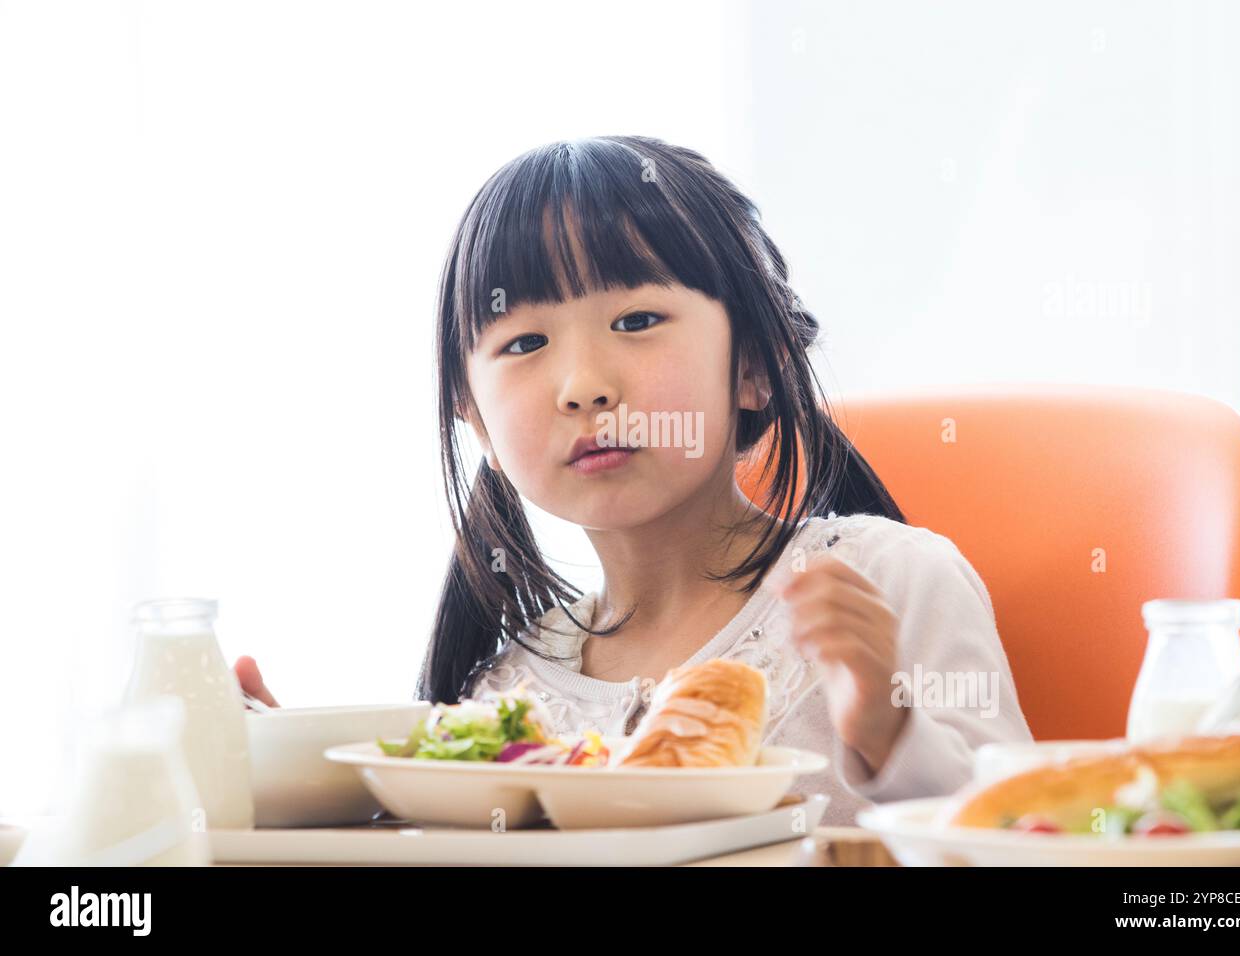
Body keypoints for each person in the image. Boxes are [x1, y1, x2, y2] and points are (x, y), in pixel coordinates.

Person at [237, 136, 1033, 825]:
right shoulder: (508, 686)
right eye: (524, 343)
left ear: (754, 366)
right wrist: (296, 783)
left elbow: (1029, 843)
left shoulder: (883, 581)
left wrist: (889, 731)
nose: (583, 385)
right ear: (474, 419)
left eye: (636, 322)